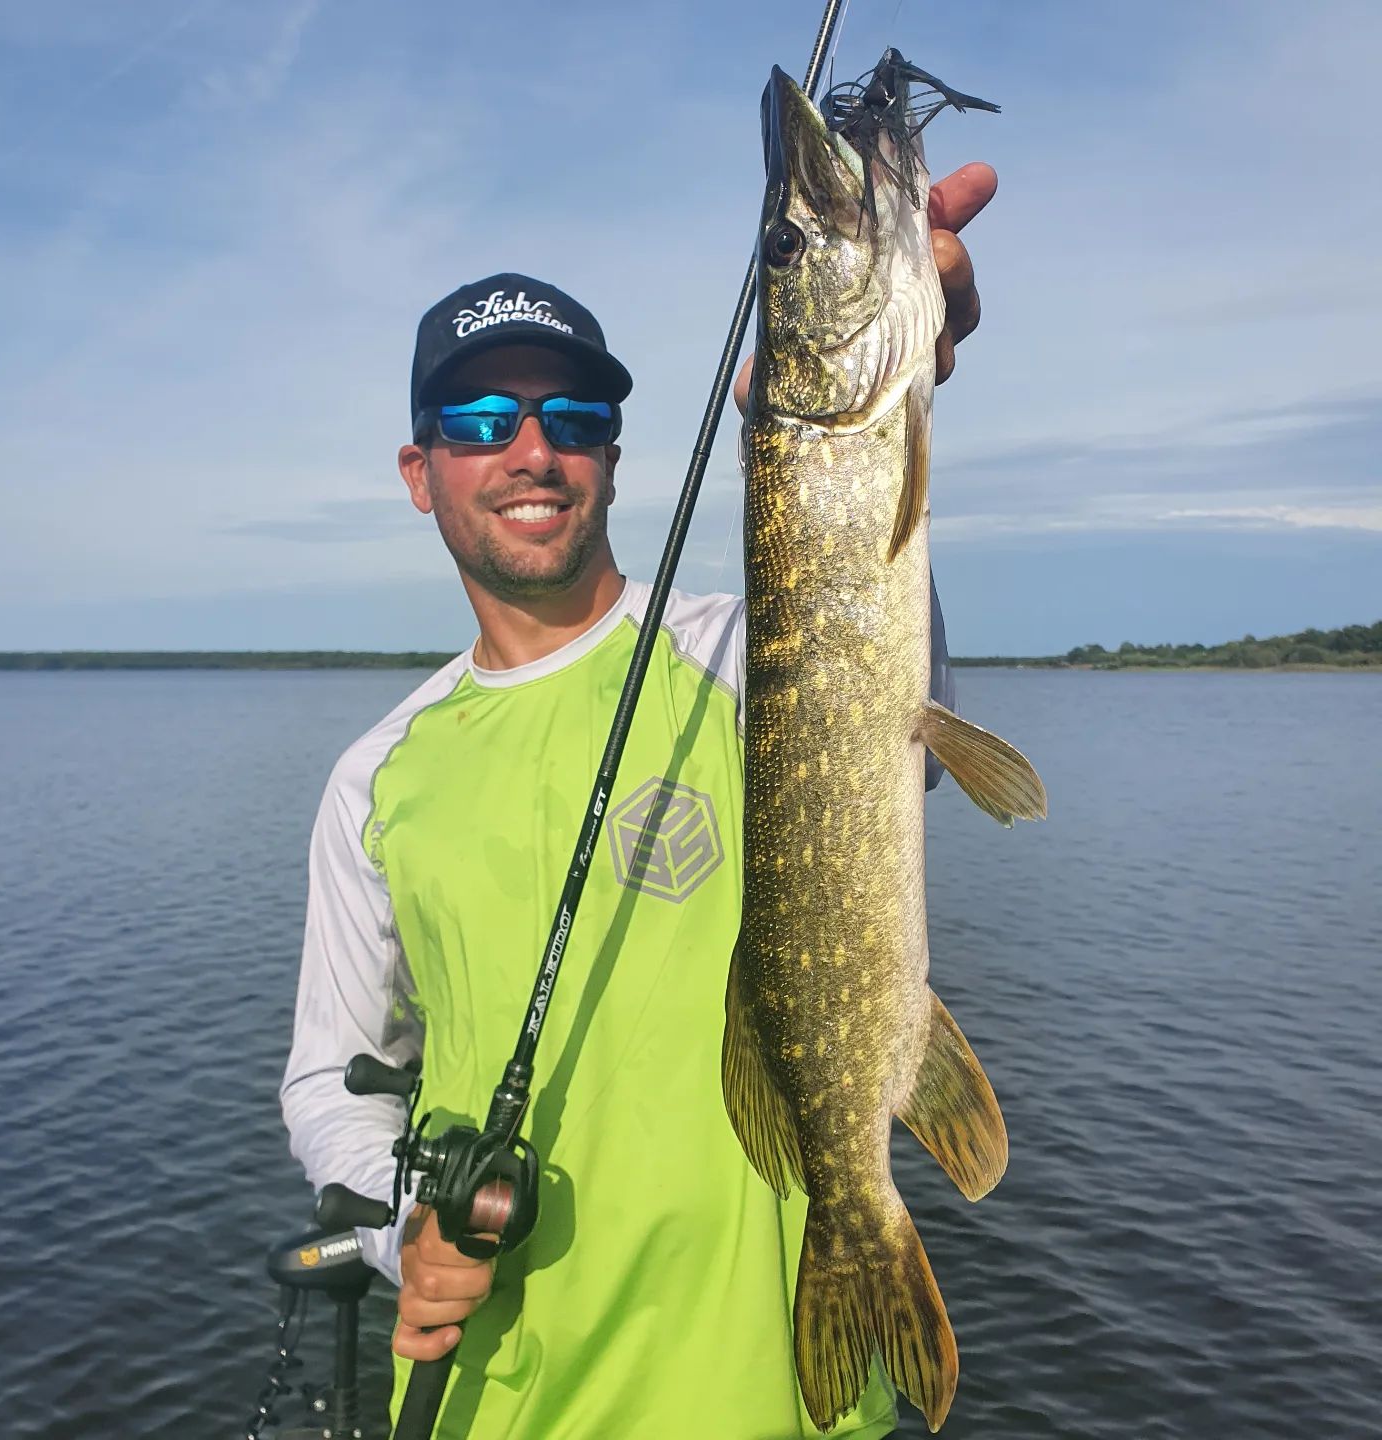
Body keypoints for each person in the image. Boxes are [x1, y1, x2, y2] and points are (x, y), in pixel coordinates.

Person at [282, 163, 998, 1438]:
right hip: (501, 1407)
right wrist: (404, 1231)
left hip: (782, 1403)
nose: (532, 451)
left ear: (613, 453)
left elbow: (889, 678)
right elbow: (331, 1084)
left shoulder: (742, 657)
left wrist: (876, 391)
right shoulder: (374, 778)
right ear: (419, 468)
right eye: (480, 419)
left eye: (573, 416)